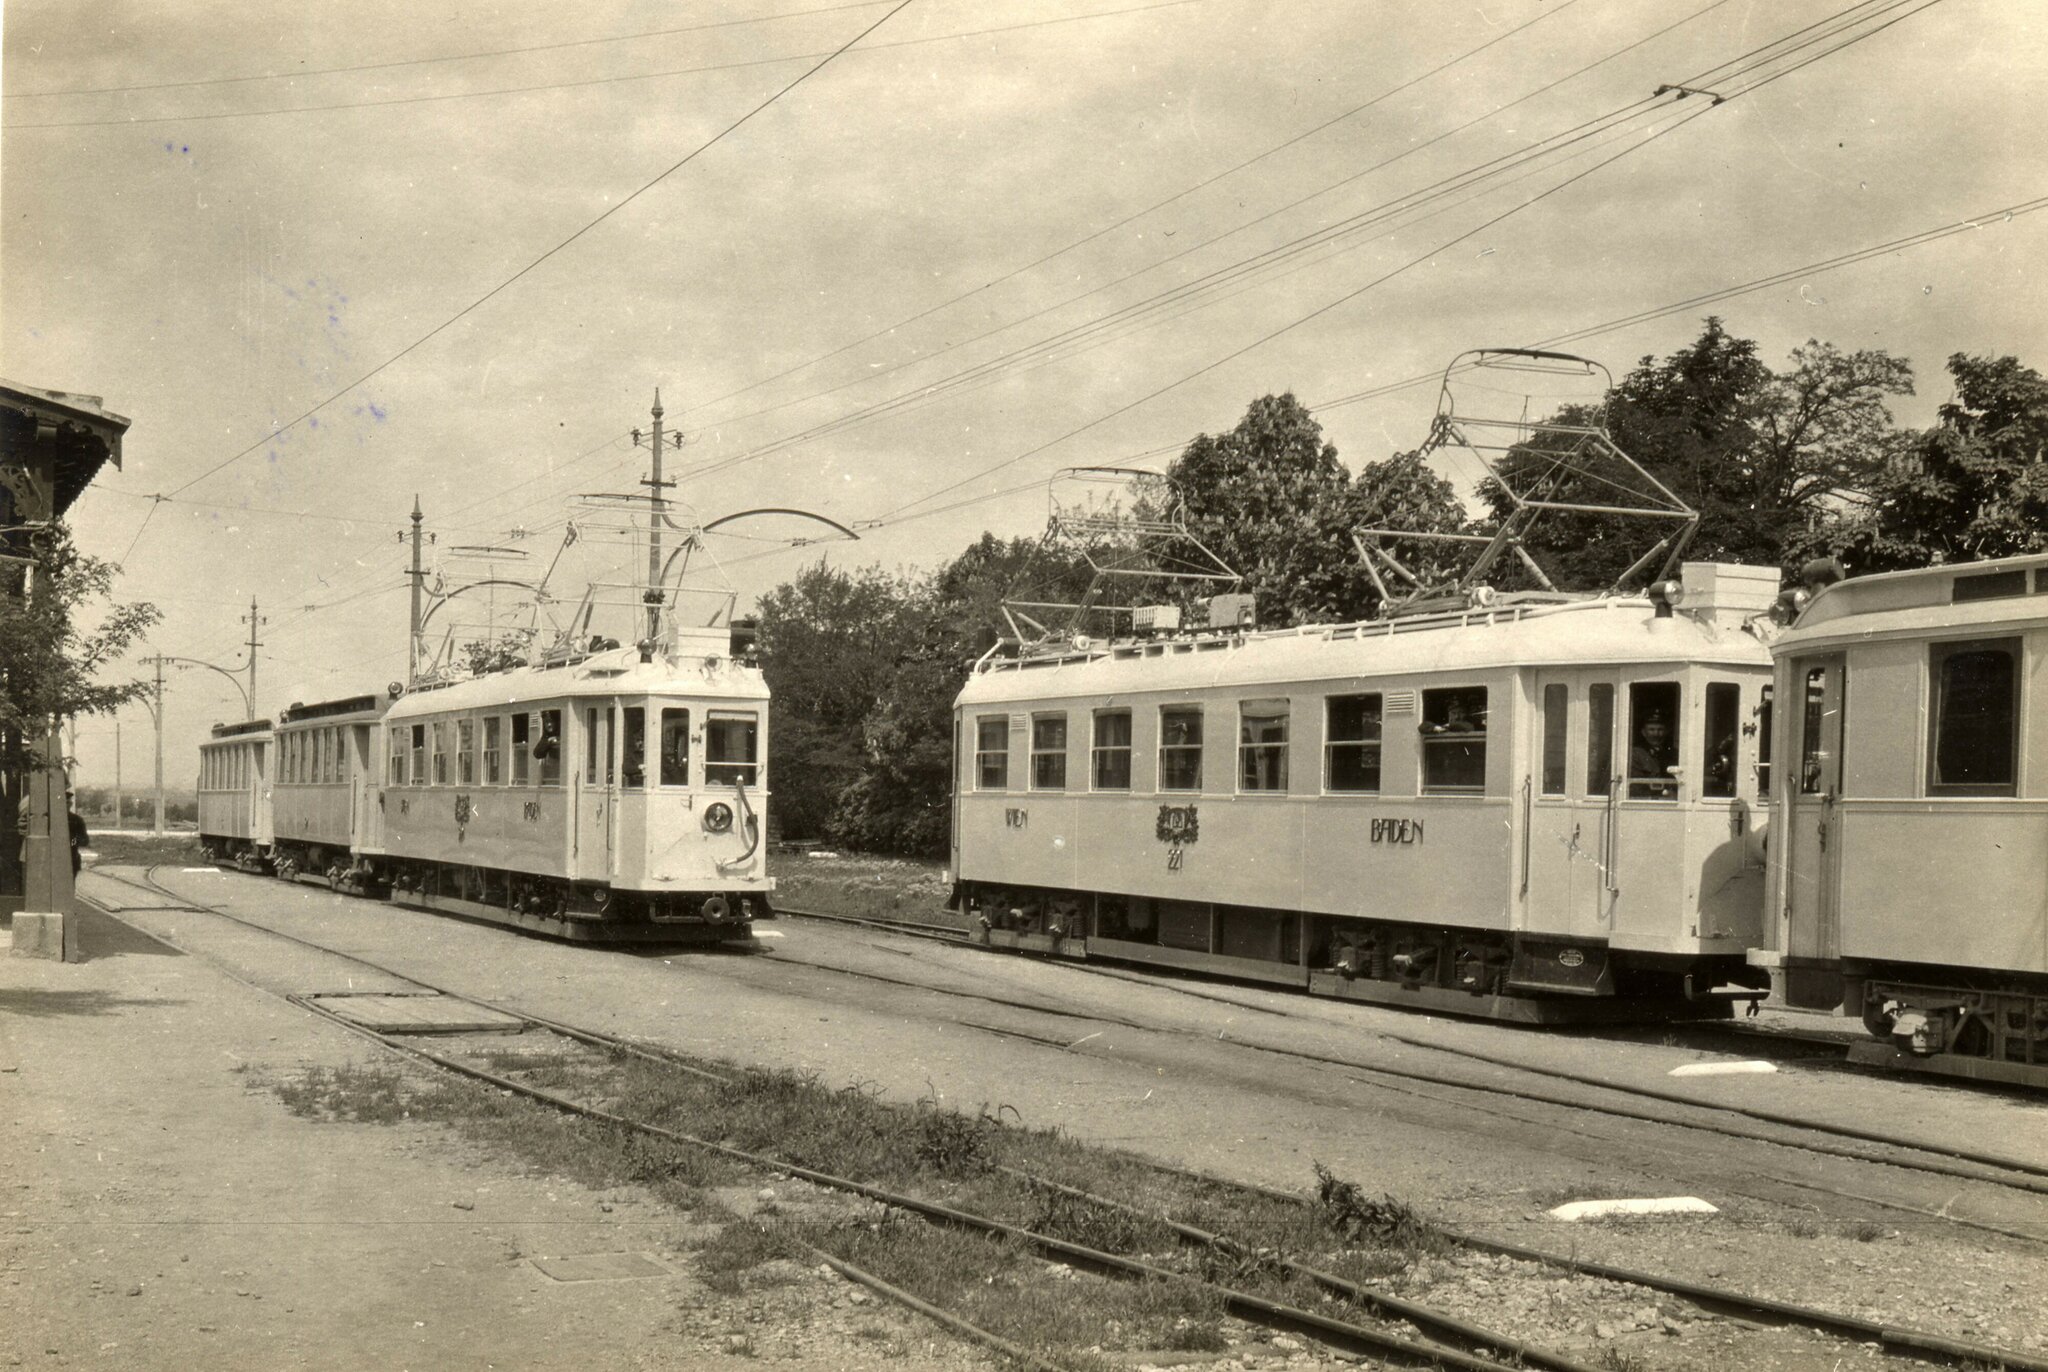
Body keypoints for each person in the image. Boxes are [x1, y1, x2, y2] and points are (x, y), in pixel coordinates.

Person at [1629, 712, 1677, 799]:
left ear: (1666, 732)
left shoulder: (1673, 754)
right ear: (1644, 732)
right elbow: (1636, 788)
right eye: (1651, 730)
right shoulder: (1636, 754)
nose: (1656, 734)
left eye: (1660, 730)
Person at [67, 805, 89, 876]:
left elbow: (84, 840)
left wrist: (71, 842)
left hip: (72, 859)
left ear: (70, 804)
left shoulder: (76, 820)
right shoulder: (50, 819)